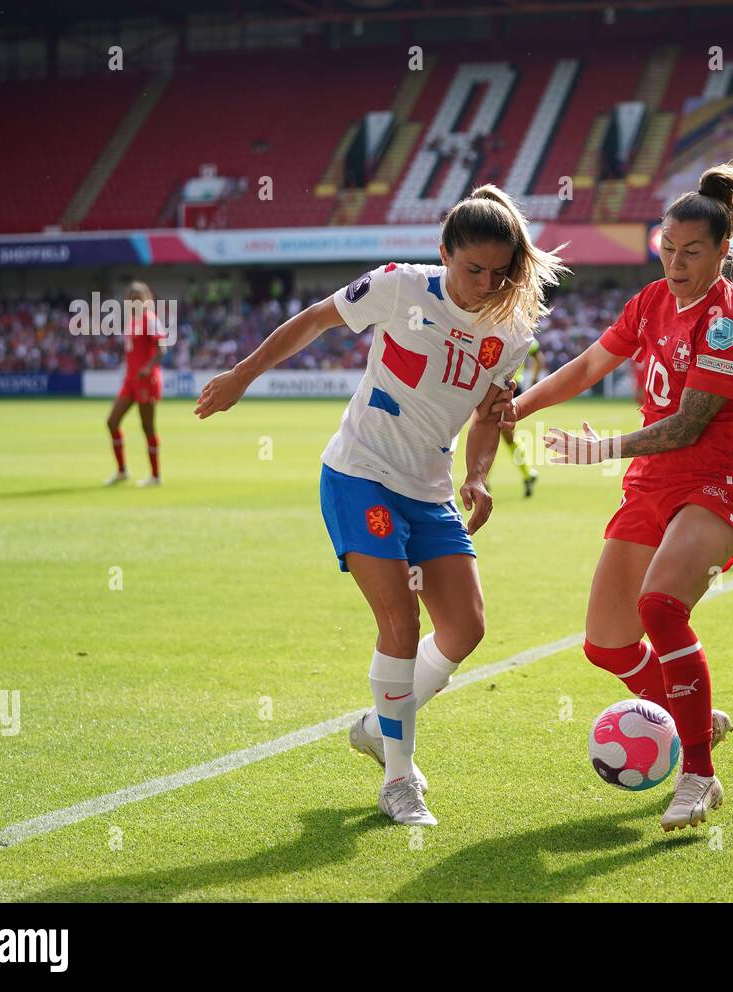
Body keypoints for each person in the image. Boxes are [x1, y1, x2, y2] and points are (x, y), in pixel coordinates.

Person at [195, 186, 567, 826]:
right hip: (360, 472)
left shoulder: (510, 330)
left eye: (499, 271)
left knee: (466, 628)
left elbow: (489, 415)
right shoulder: (399, 286)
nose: (485, 283)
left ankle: (378, 724)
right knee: (399, 620)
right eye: (473, 268)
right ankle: (400, 781)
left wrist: (477, 475)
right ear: (443, 252)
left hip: (428, 487)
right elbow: (313, 319)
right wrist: (241, 376)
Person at [497, 160, 733, 832]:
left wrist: (603, 447)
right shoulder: (649, 302)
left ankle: (699, 773)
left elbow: (688, 425)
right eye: (667, 249)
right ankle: (697, 715)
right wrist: (518, 408)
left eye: (692, 253)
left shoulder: (727, 322)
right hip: (650, 485)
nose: (675, 264)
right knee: (608, 644)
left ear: (722, 252)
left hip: (714, 484)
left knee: (660, 607)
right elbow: (591, 365)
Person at [105, 281, 165, 487]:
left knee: (147, 427)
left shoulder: (150, 319)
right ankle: (122, 470)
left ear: (146, 298)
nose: (134, 301)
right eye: (131, 298)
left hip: (146, 381)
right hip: (130, 381)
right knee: (112, 422)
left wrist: (148, 368)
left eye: (138, 297)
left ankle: (155, 475)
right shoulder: (132, 321)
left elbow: (161, 348)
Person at [502, 337, 543, 496]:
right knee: (501, 435)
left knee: (498, 433)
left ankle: (482, 481)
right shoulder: (525, 334)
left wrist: (534, 377)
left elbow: (538, 357)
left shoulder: (514, 333)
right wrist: (534, 377)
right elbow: (538, 357)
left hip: (507, 388)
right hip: (509, 387)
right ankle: (528, 473)